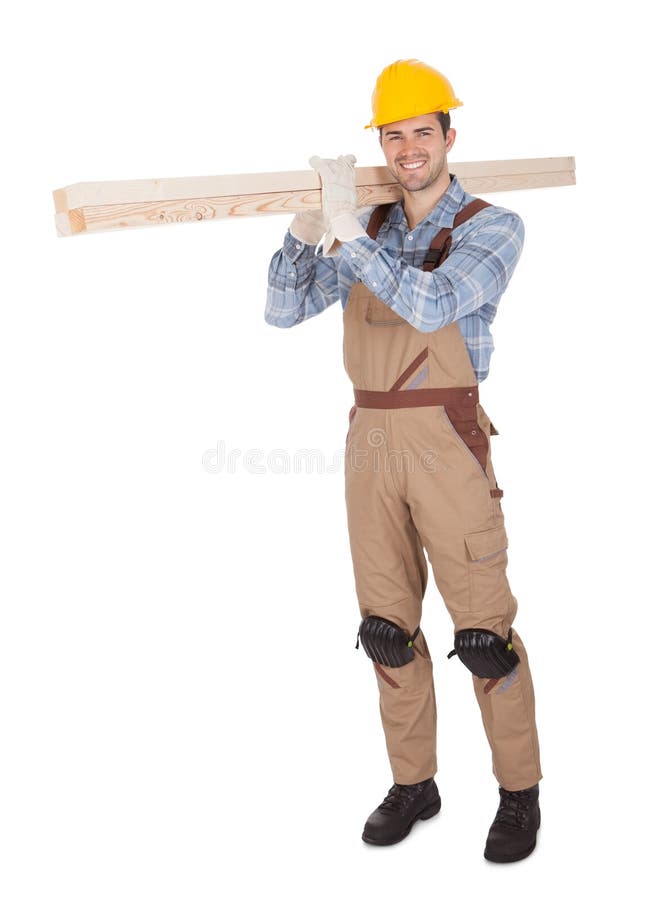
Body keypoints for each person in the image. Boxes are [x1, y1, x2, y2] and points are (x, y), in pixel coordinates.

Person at [265, 58, 542, 863]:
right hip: (370, 442)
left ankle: (519, 794)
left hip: (447, 442)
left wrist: (349, 233)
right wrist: (308, 226)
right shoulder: (369, 225)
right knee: (387, 629)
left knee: (485, 636)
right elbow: (283, 310)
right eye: (395, 134)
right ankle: (414, 782)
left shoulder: (493, 227)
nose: (409, 147)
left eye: (423, 130)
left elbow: (429, 305)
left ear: (449, 136)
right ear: (381, 145)